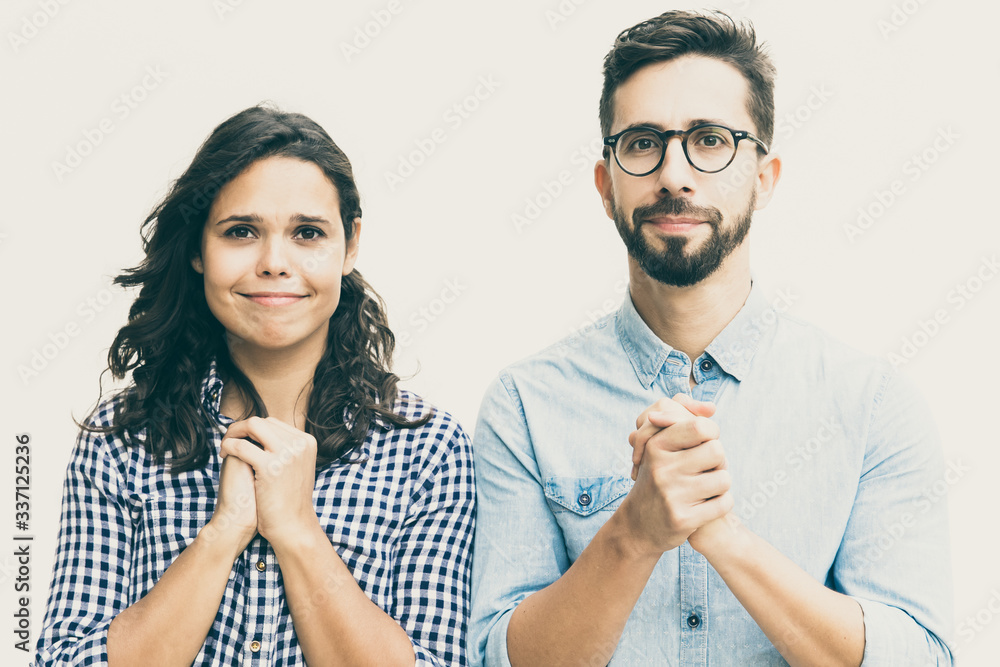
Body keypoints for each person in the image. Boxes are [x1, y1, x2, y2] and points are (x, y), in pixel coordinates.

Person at [469, 10, 952, 666]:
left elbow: (920, 657)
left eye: (710, 139)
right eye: (643, 142)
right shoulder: (524, 405)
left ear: (764, 176)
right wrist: (633, 533)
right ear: (605, 185)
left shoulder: (872, 404)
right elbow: (495, 658)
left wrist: (723, 536)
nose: (674, 175)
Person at [36, 105, 475, 666]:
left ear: (351, 245)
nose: (273, 262)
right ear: (198, 249)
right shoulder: (121, 440)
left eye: (308, 233)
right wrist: (223, 532)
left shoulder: (428, 450)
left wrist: (297, 531)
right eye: (241, 231)